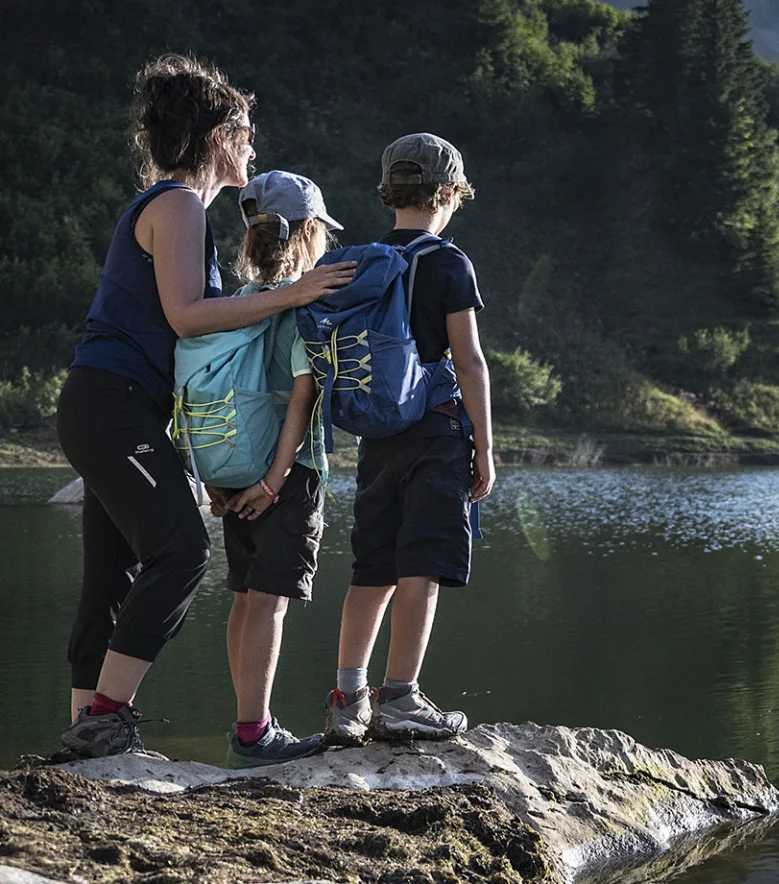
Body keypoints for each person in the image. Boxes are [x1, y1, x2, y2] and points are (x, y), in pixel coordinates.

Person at [57, 54, 354, 760]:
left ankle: (87, 734)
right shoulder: (178, 205)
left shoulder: (176, 208)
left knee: (111, 572)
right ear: (218, 134)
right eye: (246, 128)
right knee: (182, 551)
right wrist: (295, 294)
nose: (253, 142)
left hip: (108, 407)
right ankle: (110, 712)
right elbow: (188, 316)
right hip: (113, 404)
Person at [323, 133, 494, 746]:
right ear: (449, 193)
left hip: (379, 433)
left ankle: (348, 700)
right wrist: (486, 447)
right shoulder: (449, 262)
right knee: (421, 565)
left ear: (390, 191)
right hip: (437, 431)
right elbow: (469, 362)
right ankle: (401, 700)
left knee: (373, 566)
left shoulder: (360, 261)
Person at [208, 171, 341, 767]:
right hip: (284, 476)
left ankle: (246, 724)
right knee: (270, 603)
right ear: (310, 232)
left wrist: (217, 475)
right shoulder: (304, 306)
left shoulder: (232, 304)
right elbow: (302, 396)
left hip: (231, 468)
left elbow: (202, 387)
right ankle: (255, 734)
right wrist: (276, 481)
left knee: (244, 596)